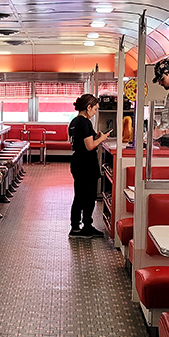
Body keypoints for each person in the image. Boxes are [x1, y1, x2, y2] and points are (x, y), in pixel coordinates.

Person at [68, 94, 111, 237]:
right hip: (86, 164)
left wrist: (96, 136)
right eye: (95, 109)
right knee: (88, 197)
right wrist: (103, 138)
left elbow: (80, 141)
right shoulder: (85, 123)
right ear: (88, 108)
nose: (94, 113)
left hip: (77, 163)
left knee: (79, 196)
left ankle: (75, 227)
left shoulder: (74, 122)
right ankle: (86, 226)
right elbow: (90, 146)